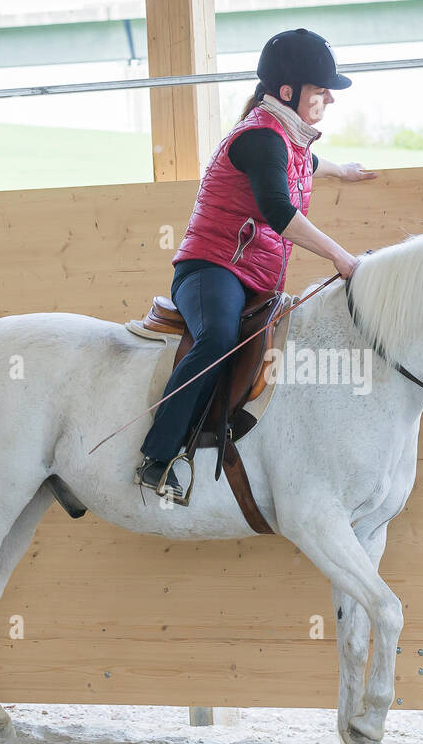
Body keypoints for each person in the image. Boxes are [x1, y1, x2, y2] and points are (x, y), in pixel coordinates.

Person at [135, 28, 377, 502]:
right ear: (287, 92)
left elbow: (304, 163)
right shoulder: (260, 137)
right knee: (219, 339)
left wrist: (343, 170)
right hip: (210, 269)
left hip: (254, 277)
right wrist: (339, 256)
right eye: (320, 88)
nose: (330, 97)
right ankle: (158, 457)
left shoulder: (286, 139)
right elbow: (280, 212)